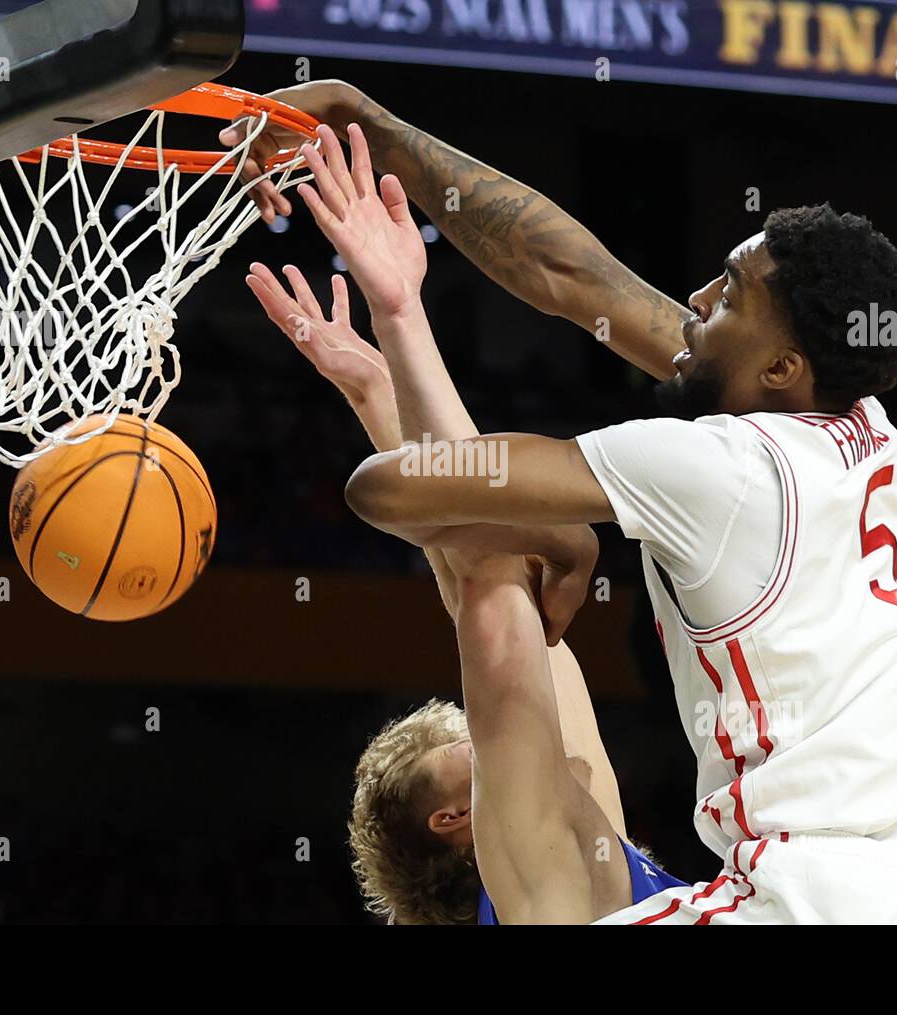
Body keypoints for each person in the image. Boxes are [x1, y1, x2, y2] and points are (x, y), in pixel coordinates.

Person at [265, 111, 897, 924]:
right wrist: (375, 132)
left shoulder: (713, 466)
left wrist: (553, 528)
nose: (696, 303)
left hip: (816, 903)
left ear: (780, 365)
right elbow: (578, 277)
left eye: (728, 296)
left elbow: (390, 491)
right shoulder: (861, 422)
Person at [246, 252, 685, 925]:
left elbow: (497, 590)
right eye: (476, 743)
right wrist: (399, 314)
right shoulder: (545, 879)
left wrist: (373, 390)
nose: (501, 727)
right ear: (454, 819)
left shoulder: (589, 858)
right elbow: (488, 574)